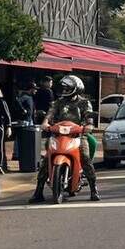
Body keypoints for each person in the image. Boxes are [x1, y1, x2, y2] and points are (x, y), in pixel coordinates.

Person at [30, 74, 99, 203]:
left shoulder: (84, 102)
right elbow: (50, 114)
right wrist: (45, 123)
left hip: (78, 134)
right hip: (58, 134)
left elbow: (89, 116)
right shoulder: (58, 102)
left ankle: (93, 189)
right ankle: (38, 192)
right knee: (46, 160)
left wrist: (89, 125)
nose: (65, 91)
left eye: (68, 88)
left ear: (76, 88)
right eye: (64, 88)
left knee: (84, 156)